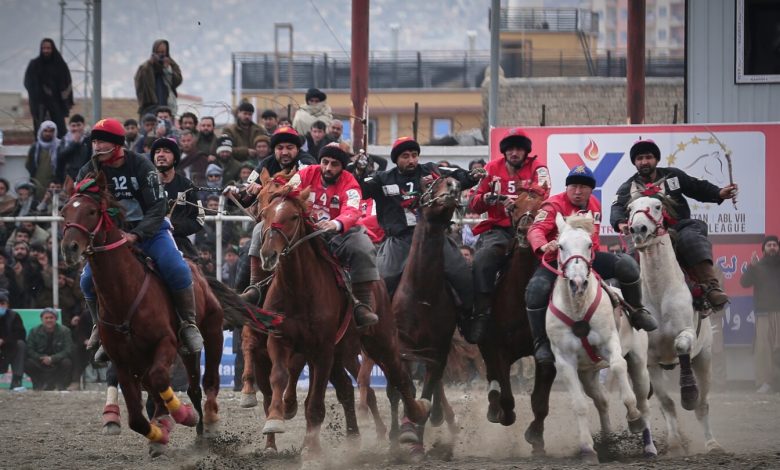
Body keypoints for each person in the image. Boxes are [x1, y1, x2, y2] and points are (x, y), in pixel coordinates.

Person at [77, 118, 203, 360]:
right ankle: (99, 326)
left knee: (176, 268)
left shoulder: (142, 166)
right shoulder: (89, 170)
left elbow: (158, 207)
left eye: (101, 142)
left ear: (116, 145)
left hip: (150, 233)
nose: (96, 146)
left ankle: (188, 323)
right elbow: (84, 205)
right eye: (94, 141)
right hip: (111, 238)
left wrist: (136, 234)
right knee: (86, 281)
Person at [525, 165, 659, 364]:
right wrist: (544, 245)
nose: (578, 192)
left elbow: (593, 242)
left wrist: (588, 258)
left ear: (591, 190)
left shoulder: (594, 205)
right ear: (567, 187)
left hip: (588, 259)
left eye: (584, 188)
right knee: (536, 289)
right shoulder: (552, 205)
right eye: (574, 187)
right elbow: (535, 230)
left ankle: (637, 311)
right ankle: (541, 343)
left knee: (628, 266)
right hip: (557, 261)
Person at [354, 136, 480, 321]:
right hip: (399, 241)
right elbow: (360, 188)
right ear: (396, 159)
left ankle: (469, 319)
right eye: (405, 156)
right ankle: (379, 325)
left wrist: (472, 175)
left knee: (461, 273)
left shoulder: (432, 169)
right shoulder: (383, 178)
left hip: (435, 236)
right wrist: (359, 171)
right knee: (384, 279)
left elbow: (458, 174)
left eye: (414, 155)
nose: (411, 160)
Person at [611, 139, 738, 311]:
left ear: (656, 159)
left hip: (678, 228)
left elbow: (697, 187)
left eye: (648, 157)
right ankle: (627, 305)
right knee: (628, 260)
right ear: (635, 162)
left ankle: (711, 288)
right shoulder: (628, 188)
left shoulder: (673, 176)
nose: (644, 162)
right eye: (639, 158)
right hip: (647, 235)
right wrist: (620, 223)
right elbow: (617, 207)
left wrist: (719, 193)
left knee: (691, 237)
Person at [282, 142, 380, 327]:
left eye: (334, 164)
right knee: (265, 234)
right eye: (325, 162)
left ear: (342, 166)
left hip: (338, 234)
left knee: (363, 246)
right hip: (303, 232)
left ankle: (363, 304)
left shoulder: (350, 181)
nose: (328, 168)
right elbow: (287, 193)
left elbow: (352, 210)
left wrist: (335, 224)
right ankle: (254, 288)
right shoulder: (304, 173)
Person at [466, 128, 549, 344]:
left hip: (532, 229)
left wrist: (521, 194)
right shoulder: (491, 168)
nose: (514, 152)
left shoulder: (538, 168)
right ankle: (481, 313)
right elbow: (473, 203)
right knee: (483, 260)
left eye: (519, 149)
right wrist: (489, 198)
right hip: (499, 229)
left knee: (555, 259)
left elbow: (544, 192)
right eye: (510, 149)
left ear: (526, 152)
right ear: (504, 152)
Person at [150, 138, 205, 259]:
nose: (161, 155)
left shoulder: (187, 186)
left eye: (166, 151)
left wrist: (174, 227)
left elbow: (200, 218)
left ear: (175, 158)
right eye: (157, 151)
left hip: (178, 244)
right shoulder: (144, 185)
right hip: (147, 242)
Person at [740, 235, 780, 393]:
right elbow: (744, 283)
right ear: (763, 249)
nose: (772, 247)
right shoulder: (757, 266)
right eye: (769, 245)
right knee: (764, 350)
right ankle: (765, 382)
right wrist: (751, 266)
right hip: (763, 313)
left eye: (774, 245)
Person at [23, 38, 73, 138]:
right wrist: (40, 93)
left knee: (60, 134)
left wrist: (62, 99)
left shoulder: (60, 65)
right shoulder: (34, 65)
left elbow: (67, 83)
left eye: (48, 48)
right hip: (40, 106)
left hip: (57, 105)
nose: (46, 50)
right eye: (44, 48)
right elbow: (28, 83)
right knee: (41, 133)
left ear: (52, 49)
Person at [24, 308, 72, 390]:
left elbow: (68, 349)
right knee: (28, 363)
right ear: (42, 319)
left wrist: (52, 358)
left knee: (67, 362)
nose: (49, 320)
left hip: (57, 361)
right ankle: (37, 384)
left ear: (56, 319)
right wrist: (41, 357)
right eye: (46, 318)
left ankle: (60, 384)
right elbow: (29, 349)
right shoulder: (34, 331)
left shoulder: (65, 331)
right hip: (40, 361)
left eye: (51, 317)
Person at [134, 39, 182, 117]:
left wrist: (167, 69)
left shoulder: (171, 64)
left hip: (168, 104)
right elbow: (140, 84)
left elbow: (177, 81)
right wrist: (150, 66)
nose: (160, 55)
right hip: (151, 107)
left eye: (163, 52)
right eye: (158, 52)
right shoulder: (146, 66)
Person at [25, 121, 61, 200]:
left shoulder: (59, 146)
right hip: (38, 181)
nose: (48, 133)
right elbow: (29, 165)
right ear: (41, 131)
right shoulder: (35, 147)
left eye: (51, 131)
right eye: (45, 131)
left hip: (54, 183)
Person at [0, 289, 26, 390]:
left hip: (9, 349)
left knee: (20, 344)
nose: (0, 306)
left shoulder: (14, 316)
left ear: (7, 304)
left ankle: (17, 379)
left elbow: (20, 334)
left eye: (2, 303)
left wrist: (4, 340)